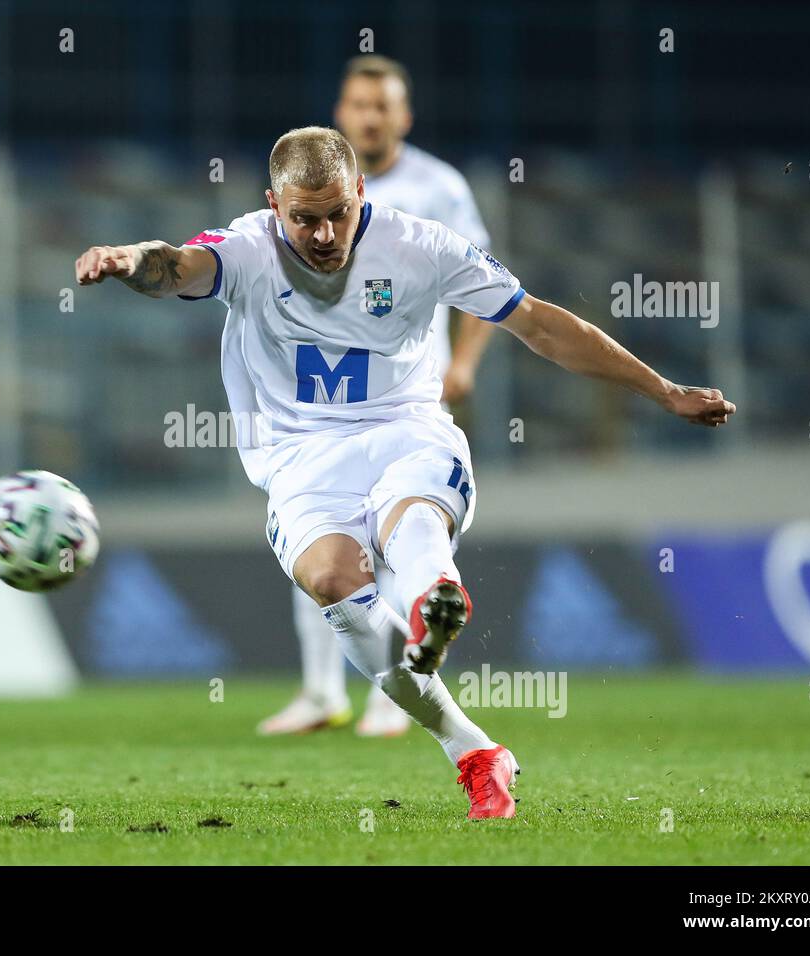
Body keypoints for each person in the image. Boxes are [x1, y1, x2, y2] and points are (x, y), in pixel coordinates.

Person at [74, 127, 734, 818]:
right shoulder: (246, 249)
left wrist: (663, 391)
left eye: (338, 212)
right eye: (303, 218)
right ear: (274, 205)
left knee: (415, 521)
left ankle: (432, 597)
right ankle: (476, 750)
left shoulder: (422, 247)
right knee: (331, 580)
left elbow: (539, 324)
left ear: (361, 191)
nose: (323, 233)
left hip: (407, 433)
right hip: (301, 460)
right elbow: (175, 267)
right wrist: (128, 258)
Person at [259, 54, 496, 738]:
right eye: (360, 105)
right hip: (319, 409)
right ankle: (322, 690)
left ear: (404, 116)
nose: (371, 116)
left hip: (406, 399)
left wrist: (468, 363)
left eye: (383, 106)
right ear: (341, 115)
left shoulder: (438, 187)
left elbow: (481, 287)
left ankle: (397, 691)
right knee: (320, 542)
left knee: (397, 534)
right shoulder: (308, 199)